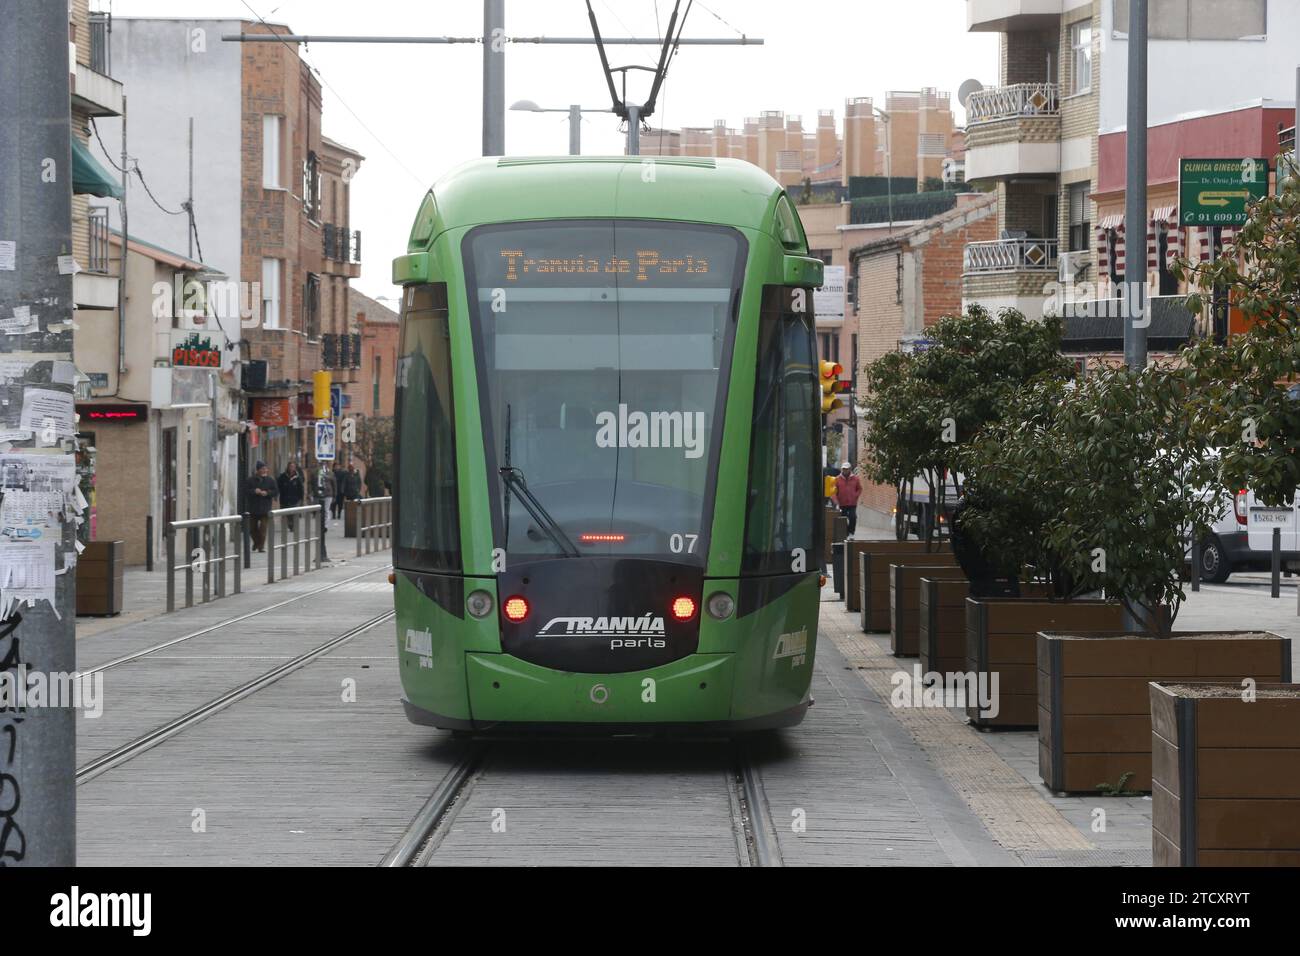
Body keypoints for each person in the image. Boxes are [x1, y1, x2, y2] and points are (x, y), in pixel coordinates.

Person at [244, 461, 278, 552]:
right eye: (263, 469)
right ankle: (257, 542)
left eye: (265, 469)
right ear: (258, 470)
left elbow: (275, 491)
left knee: (263, 529)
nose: (265, 470)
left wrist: (267, 493)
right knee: (252, 529)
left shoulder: (270, 480)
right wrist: (254, 491)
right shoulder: (250, 480)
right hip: (253, 508)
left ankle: (261, 547)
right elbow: (245, 491)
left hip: (265, 508)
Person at [833, 461, 862, 537]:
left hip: (852, 503)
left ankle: (851, 533)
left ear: (850, 469)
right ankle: (845, 534)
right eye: (843, 469)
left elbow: (859, 489)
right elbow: (833, 492)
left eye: (846, 469)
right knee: (843, 519)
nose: (845, 470)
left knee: (853, 517)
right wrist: (836, 502)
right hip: (841, 504)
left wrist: (855, 495)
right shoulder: (837, 479)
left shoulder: (855, 479)